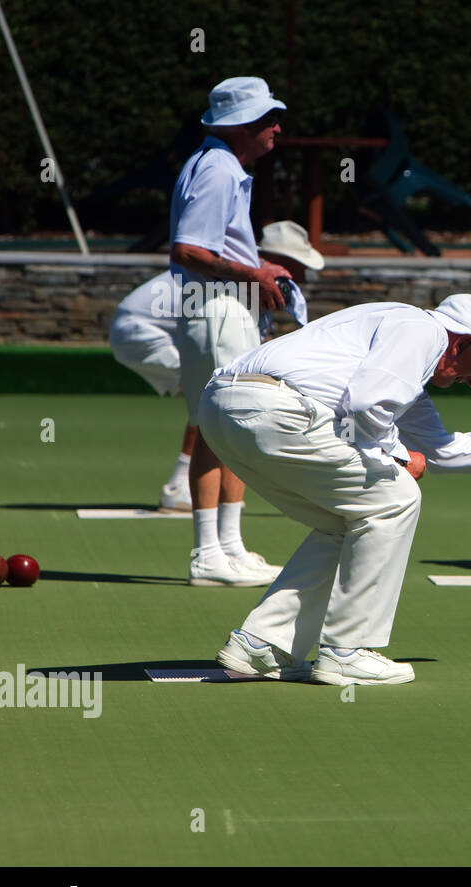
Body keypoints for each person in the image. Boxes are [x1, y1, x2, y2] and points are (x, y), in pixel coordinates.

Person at [197, 295, 471, 686]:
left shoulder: (404, 361)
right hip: (274, 410)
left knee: (347, 521)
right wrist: (398, 455)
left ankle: (263, 644)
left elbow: (442, 450)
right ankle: (346, 651)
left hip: (224, 412)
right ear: (461, 342)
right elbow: (367, 404)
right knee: (396, 500)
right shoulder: (424, 330)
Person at [169, 76, 294, 587]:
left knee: (233, 428)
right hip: (216, 309)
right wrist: (254, 274)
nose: (276, 128)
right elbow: (188, 250)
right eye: (267, 120)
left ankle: (229, 546)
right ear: (241, 127)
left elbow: (214, 247)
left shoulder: (224, 167)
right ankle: (207, 554)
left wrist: (257, 266)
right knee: (220, 426)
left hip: (228, 307)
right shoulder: (217, 171)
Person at [108, 221, 324, 512]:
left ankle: (183, 486)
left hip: (144, 328)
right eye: (297, 266)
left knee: (214, 398)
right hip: (140, 332)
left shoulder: (244, 275)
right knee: (218, 398)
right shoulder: (244, 277)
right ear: (277, 260)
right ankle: (184, 490)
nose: (300, 276)